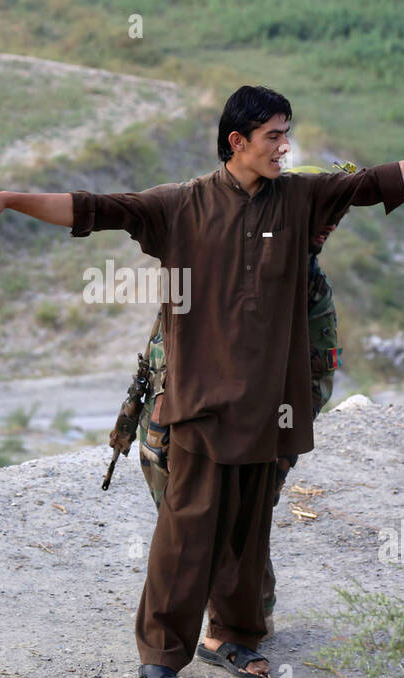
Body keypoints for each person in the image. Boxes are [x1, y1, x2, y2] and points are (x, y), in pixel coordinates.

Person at [0, 84, 404, 678]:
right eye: (273, 137)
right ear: (237, 142)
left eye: (287, 134)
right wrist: (10, 199)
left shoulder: (304, 197)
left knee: (248, 528)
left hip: (270, 403)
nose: (285, 148)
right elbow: (92, 208)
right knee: (185, 531)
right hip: (201, 402)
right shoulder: (180, 207)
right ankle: (161, 659)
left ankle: (233, 636)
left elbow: (392, 178)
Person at [137, 216, 341, 637]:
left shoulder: (310, 285)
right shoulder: (218, 258)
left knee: (242, 525)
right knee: (185, 530)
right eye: (318, 222)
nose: (325, 233)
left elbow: (317, 374)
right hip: (173, 422)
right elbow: (165, 343)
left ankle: (241, 621)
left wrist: (286, 446)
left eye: (332, 224)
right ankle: (171, 642)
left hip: (254, 431)